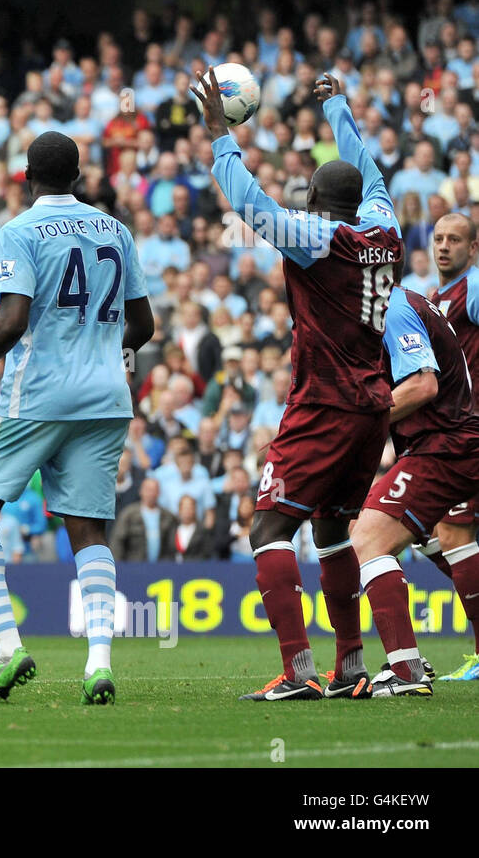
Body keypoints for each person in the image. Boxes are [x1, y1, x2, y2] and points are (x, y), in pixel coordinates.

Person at [193, 71, 403, 701]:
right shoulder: (385, 229)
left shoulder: (318, 239)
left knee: (268, 529)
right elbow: (372, 173)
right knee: (334, 532)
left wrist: (220, 138)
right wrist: (337, 106)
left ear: (314, 200)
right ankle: (350, 666)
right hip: (373, 408)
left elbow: (252, 208)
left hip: (323, 405)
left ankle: (298, 671)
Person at [0, 131, 154, 705]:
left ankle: (10, 647)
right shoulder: (116, 230)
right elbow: (145, 326)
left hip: (38, 395)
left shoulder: (19, 231)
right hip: (107, 398)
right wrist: (105, 352)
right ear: (80, 176)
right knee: (87, 528)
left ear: (26, 176)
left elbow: (13, 321)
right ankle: (97, 664)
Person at [349, 285, 479, 695]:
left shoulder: (394, 309)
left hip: (445, 445)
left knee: (369, 540)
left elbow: (423, 386)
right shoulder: (415, 300)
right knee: (443, 540)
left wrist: (356, 425)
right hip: (453, 441)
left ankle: (405, 671)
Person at [421, 212, 479, 682]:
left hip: (470, 435)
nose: (444, 246)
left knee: (454, 536)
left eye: (455, 239)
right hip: (450, 436)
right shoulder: (435, 296)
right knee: (428, 534)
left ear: (473, 249)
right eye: (439, 238)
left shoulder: (474, 288)